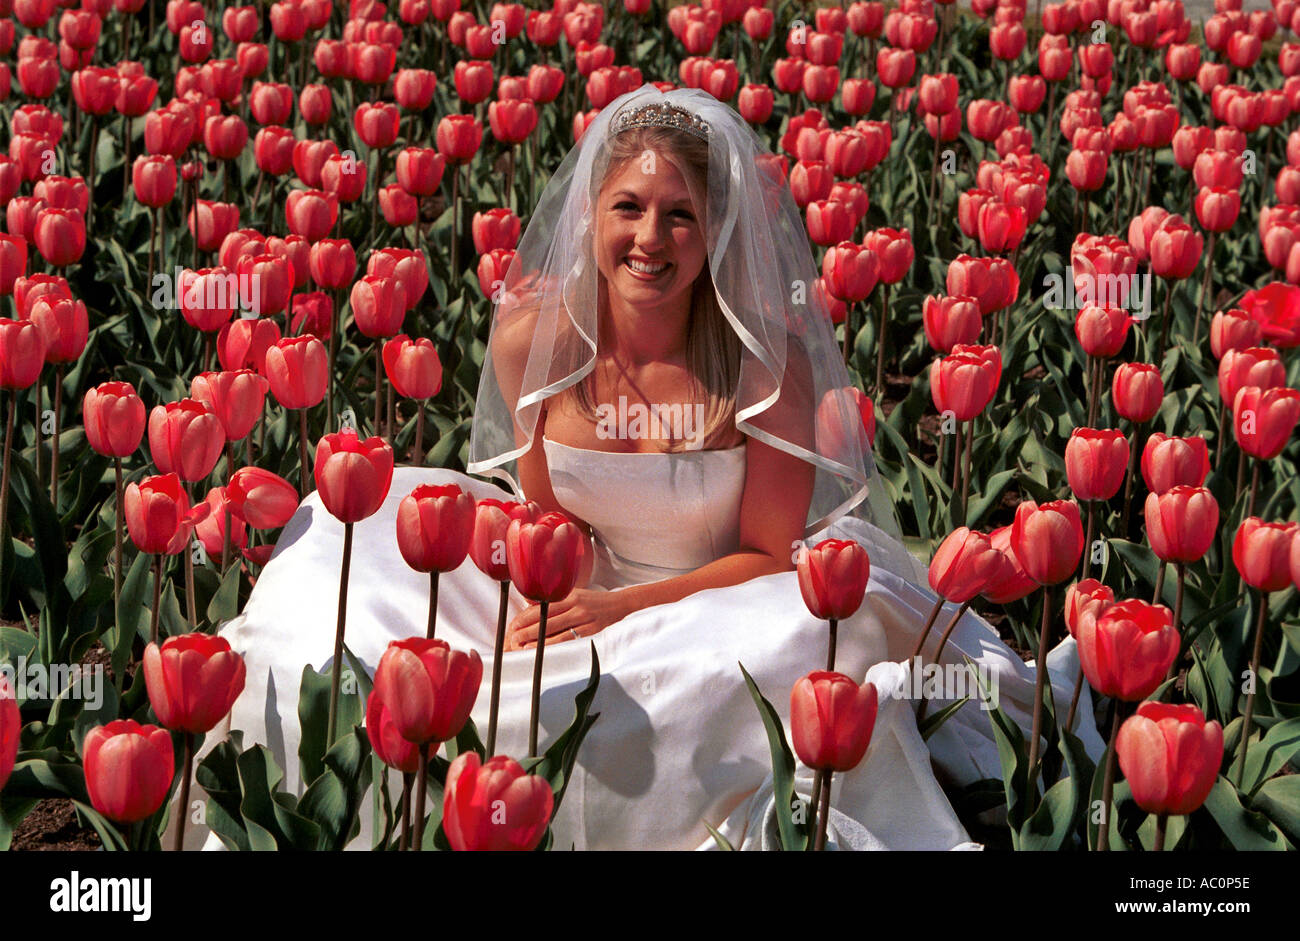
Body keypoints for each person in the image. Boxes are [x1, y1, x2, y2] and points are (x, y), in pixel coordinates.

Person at [186, 85, 1102, 851]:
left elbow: (772, 558)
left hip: (725, 594)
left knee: (782, 651)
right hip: (579, 585)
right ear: (592, 216)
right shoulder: (528, 342)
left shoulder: (763, 370)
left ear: (716, 233)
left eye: (680, 217)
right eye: (627, 208)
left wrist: (621, 609)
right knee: (336, 585)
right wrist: (553, 589)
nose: (650, 239)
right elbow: (549, 517)